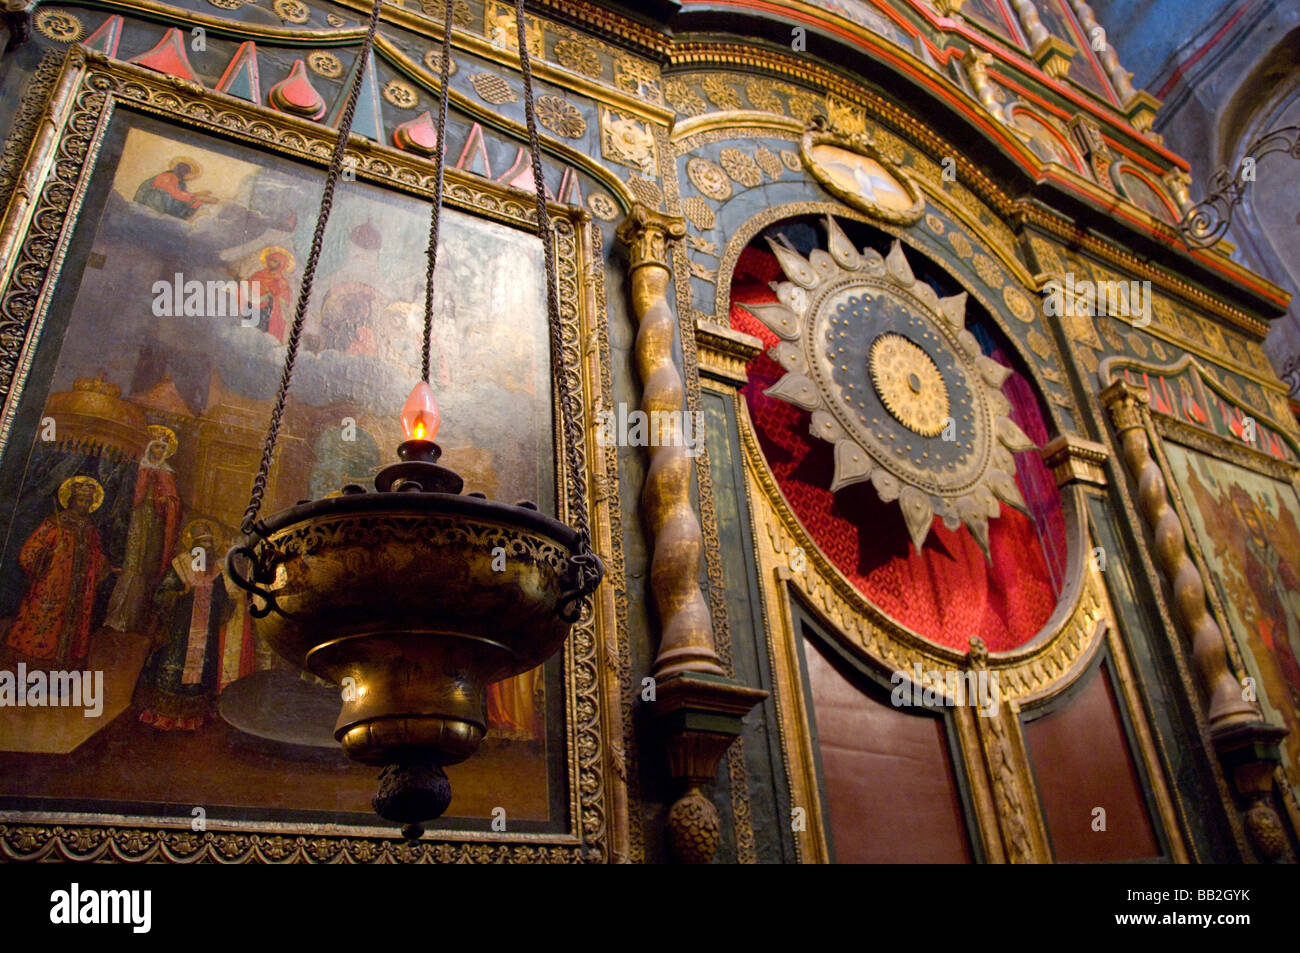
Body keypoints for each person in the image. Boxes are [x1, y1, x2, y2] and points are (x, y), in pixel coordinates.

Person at [4, 477, 112, 670]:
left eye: (87, 502)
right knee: (43, 627)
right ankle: (31, 669)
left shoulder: (90, 529)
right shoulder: (55, 523)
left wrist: (102, 564)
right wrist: (47, 554)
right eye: (80, 500)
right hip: (51, 587)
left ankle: (63, 672)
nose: (84, 505)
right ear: (70, 500)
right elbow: (29, 551)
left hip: (79, 593)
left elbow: (96, 554)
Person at [137, 520, 235, 730]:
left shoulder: (217, 569)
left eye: (210, 543)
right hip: (180, 630)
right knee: (173, 667)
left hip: (205, 631)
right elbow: (161, 594)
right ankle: (166, 715)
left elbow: (224, 599)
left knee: (202, 670)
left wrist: (226, 604)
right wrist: (179, 593)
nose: (207, 547)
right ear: (193, 545)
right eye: (203, 543)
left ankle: (196, 715)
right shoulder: (180, 565)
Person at [103, 427, 182, 634]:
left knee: (146, 568)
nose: (158, 451)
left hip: (155, 524)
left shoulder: (167, 473)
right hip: (133, 522)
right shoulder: (135, 468)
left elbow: (174, 501)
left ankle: (135, 620)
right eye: (155, 446)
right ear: (148, 447)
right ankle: (116, 616)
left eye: (161, 448)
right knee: (131, 566)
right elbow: (125, 497)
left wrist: (167, 502)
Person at [133, 158, 217, 220]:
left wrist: (199, 197)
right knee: (179, 201)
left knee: (190, 204)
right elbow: (176, 194)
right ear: (184, 172)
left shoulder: (180, 183)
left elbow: (181, 194)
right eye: (191, 174)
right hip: (150, 204)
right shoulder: (166, 177)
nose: (192, 178)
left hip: (166, 203)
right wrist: (199, 197)